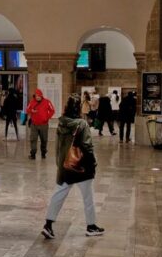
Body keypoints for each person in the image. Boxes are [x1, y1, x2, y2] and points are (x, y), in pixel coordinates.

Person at [41, 95, 104, 240]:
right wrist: (93, 163)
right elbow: (87, 146)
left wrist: (59, 163)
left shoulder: (61, 123)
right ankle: (91, 226)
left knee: (58, 195)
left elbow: (57, 146)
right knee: (88, 197)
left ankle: (48, 225)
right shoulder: (82, 124)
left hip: (65, 165)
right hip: (81, 167)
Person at [26, 89, 55, 159]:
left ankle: (43, 153)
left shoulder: (47, 102)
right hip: (34, 125)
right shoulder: (32, 102)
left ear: (41, 96)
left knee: (44, 140)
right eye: (36, 96)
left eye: (39, 96)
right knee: (33, 139)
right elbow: (27, 109)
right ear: (35, 96)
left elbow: (52, 110)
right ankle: (33, 154)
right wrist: (31, 111)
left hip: (44, 125)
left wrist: (47, 117)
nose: (38, 97)